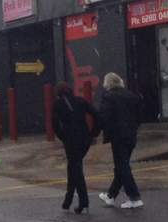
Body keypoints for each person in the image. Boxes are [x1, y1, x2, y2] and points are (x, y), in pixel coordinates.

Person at [95, 71, 144, 210]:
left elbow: (104, 118)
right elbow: (139, 115)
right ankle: (111, 196)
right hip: (131, 135)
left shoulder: (108, 98)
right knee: (121, 167)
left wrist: (98, 132)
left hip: (118, 136)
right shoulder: (131, 96)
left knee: (122, 167)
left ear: (108, 83)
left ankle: (134, 197)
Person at [51, 82, 100, 213]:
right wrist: (94, 133)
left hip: (71, 139)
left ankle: (83, 201)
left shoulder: (57, 104)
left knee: (75, 169)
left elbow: (55, 125)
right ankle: (68, 201)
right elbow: (96, 114)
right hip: (85, 138)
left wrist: (63, 136)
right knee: (73, 166)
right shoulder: (81, 101)